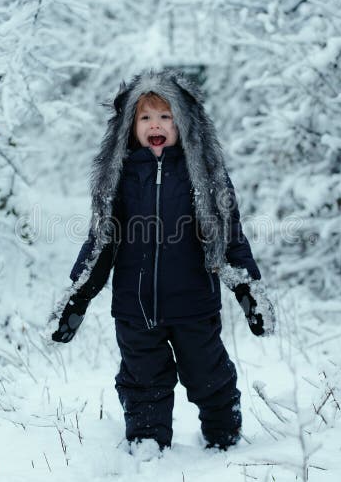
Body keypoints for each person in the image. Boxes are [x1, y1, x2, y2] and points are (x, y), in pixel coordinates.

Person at [48, 69, 274, 452]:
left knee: (208, 375)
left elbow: (230, 235)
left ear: (184, 123)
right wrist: (78, 296)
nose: (156, 125)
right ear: (129, 126)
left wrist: (247, 289)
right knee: (142, 381)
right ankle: (147, 446)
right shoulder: (117, 178)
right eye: (146, 117)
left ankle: (224, 439)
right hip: (134, 309)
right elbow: (101, 242)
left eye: (166, 117)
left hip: (194, 305)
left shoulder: (204, 175)